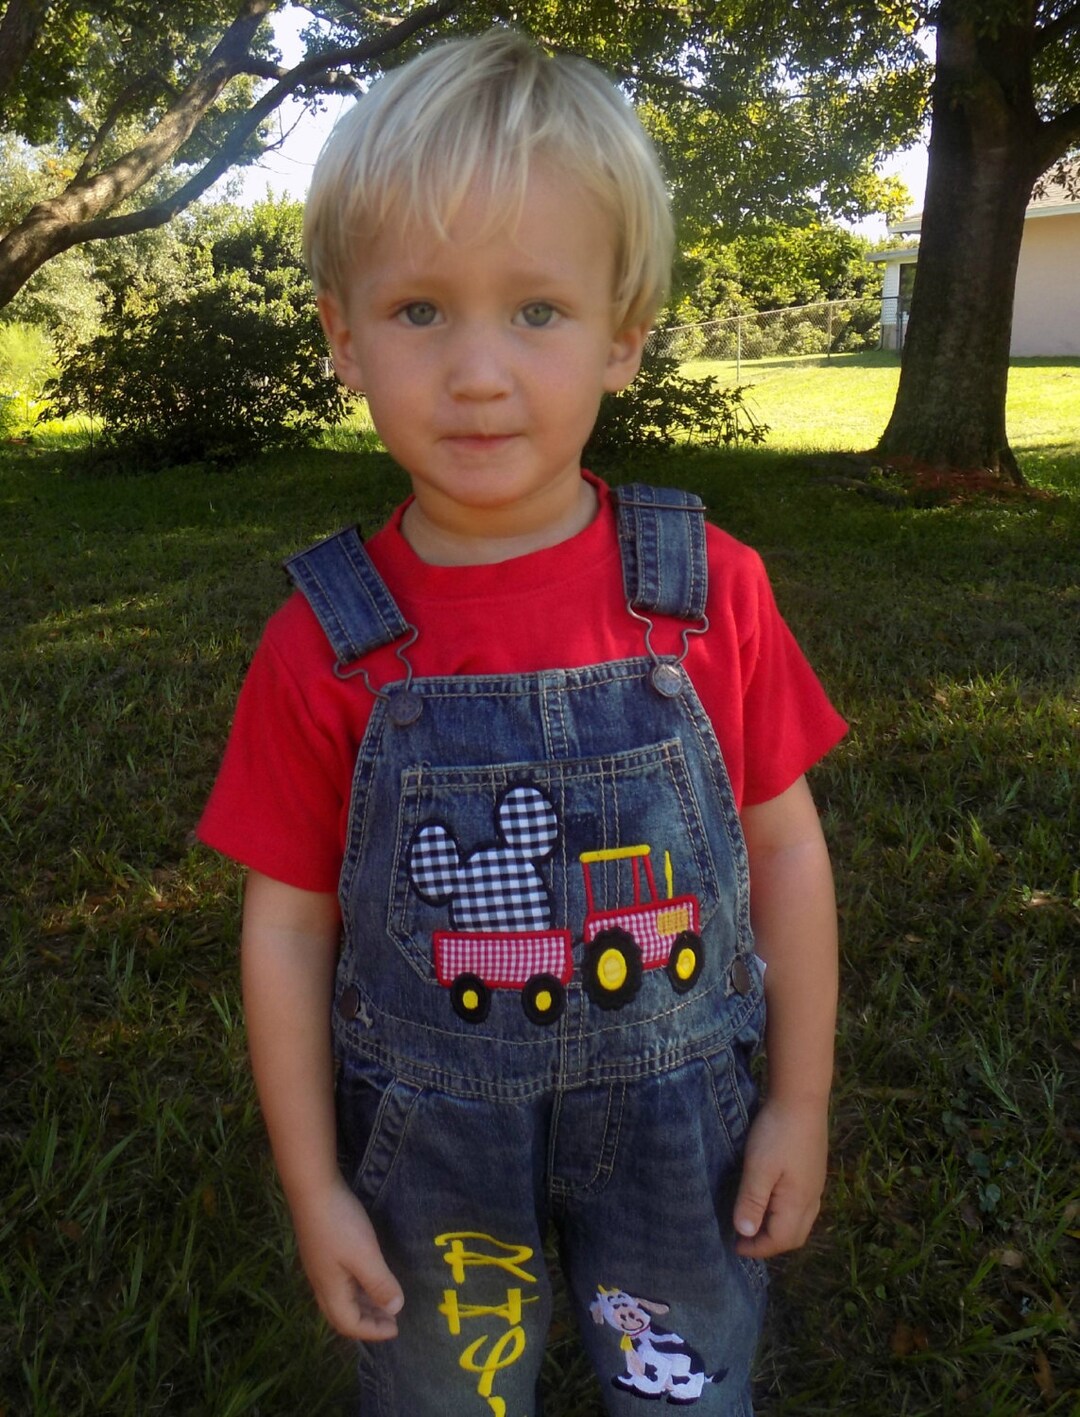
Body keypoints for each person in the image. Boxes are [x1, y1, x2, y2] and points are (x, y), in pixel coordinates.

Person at [199, 28, 845, 1416]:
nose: (478, 370)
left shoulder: (708, 589)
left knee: (682, 1389)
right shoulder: (326, 635)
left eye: (536, 311)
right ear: (344, 337)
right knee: (443, 1395)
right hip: (429, 1144)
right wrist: (314, 1185)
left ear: (623, 333)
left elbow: (786, 851)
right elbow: (288, 921)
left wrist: (797, 1100)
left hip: (685, 1128)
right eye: (422, 309)